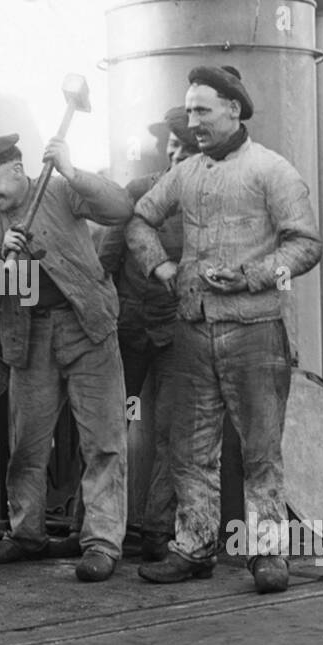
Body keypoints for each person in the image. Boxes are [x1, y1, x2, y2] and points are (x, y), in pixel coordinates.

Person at [129, 66, 320, 593]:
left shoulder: (272, 170)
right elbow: (139, 220)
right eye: (189, 112)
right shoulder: (185, 173)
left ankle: (268, 554)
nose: (194, 123)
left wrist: (253, 275)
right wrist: (161, 268)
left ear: (234, 110)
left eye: (203, 110)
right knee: (191, 449)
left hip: (256, 331)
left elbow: (306, 246)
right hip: (192, 331)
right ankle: (193, 548)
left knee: (260, 451)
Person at [0, 133, 133, 582]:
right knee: (26, 446)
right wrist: (2, 257)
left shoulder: (59, 190)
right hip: (27, 337)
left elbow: (119, 209)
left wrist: (73, 170)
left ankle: (100, 543)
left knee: (104, 442)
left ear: (18, 170)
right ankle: (26, 535)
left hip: (87, 329)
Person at [98, 107, 200, 562]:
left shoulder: (209, 203)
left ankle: (157, 531)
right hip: (126, 333)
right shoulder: (137, 194)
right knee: (111, 428)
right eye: (173, 145)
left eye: (188, 146)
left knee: (173, 432)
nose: (177, 153)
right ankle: (103, 534)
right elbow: (104, 264)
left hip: (179, 335)